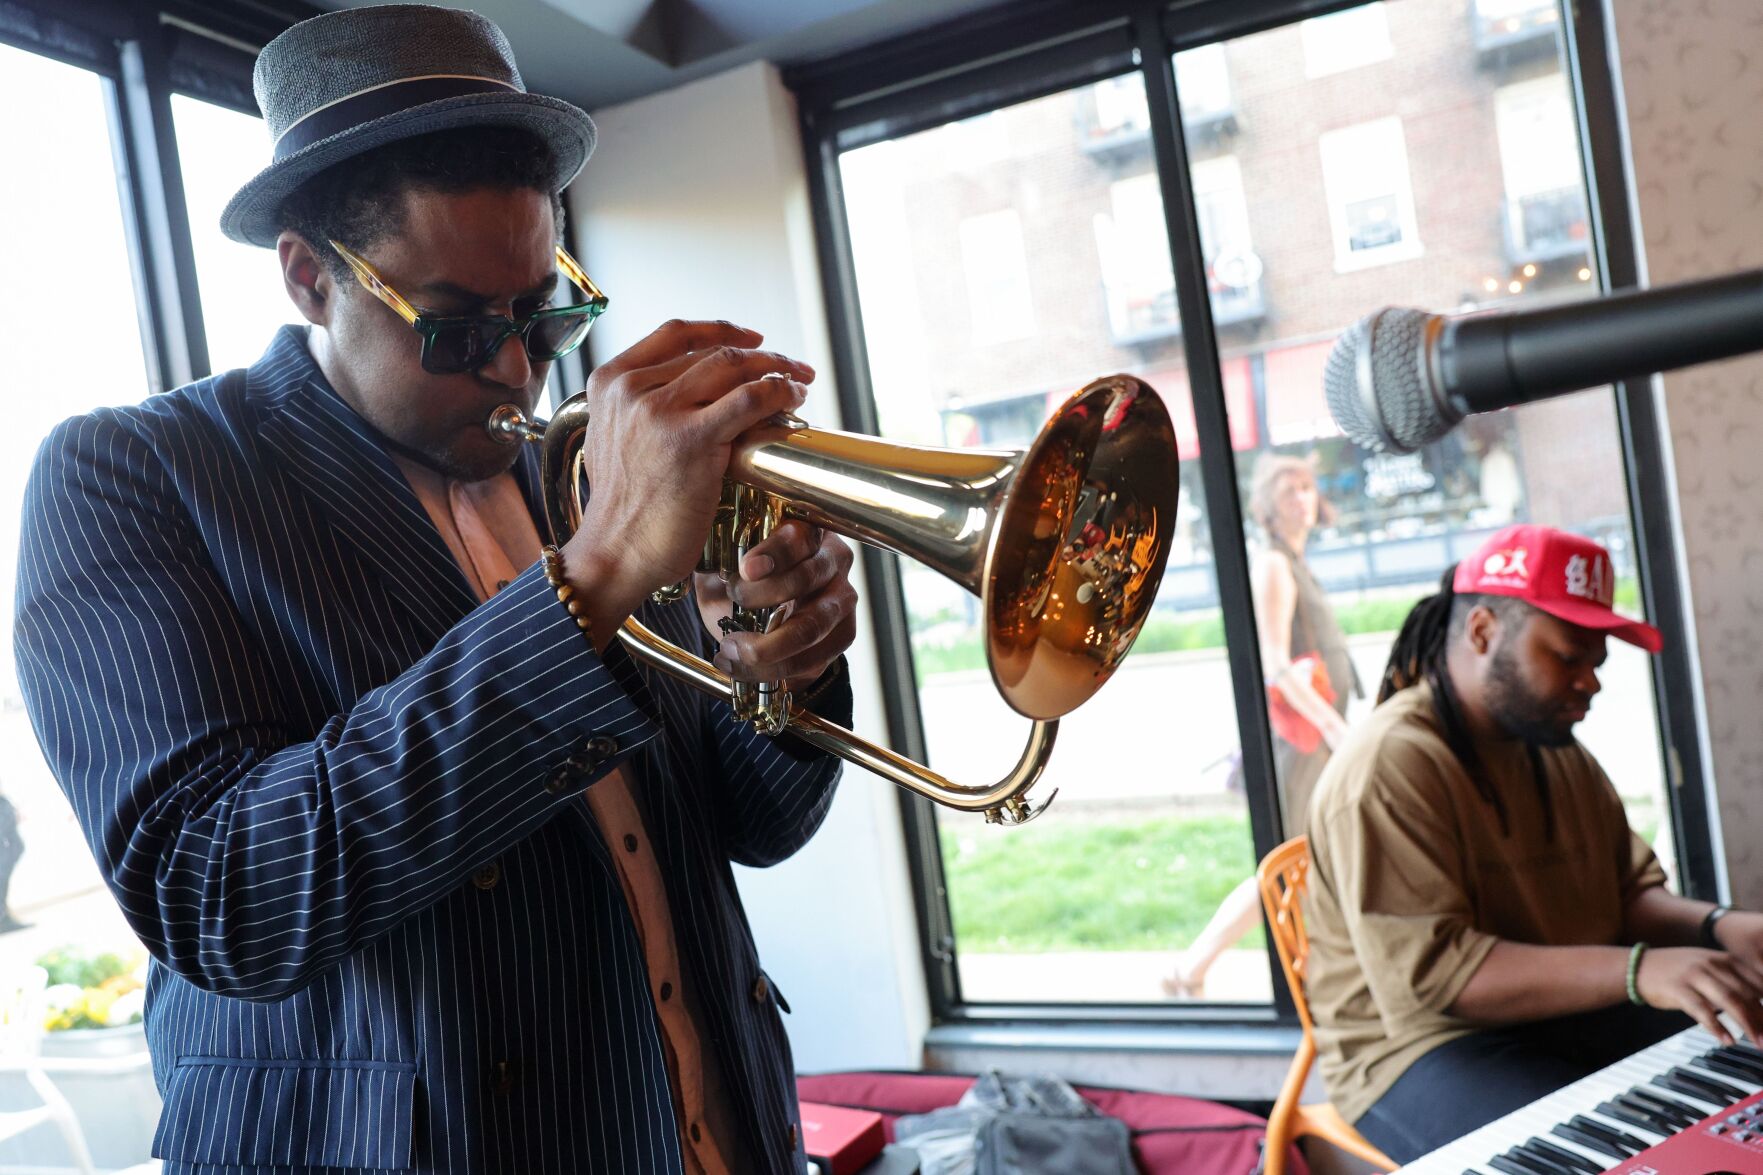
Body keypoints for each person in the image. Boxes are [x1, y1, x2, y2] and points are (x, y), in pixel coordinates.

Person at [13, 7, 858, 1173]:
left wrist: (775, 672)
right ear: (312, 277)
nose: (514, 367)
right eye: (456, 329)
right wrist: (597, 575)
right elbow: (222, 895)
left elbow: (752, 829)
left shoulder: (574, 477)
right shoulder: (134, 473)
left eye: (543, 313)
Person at [1302, 524, 1763, 1162]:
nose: (1591, 683)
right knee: (1603, 1157)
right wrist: (1640, 970)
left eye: (1597, 662)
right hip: (1419, 1045)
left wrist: (1721, 927)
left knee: (1744, 1054)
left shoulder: (1553, 747)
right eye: (1569, 657)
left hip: (1563, 1011)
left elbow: (1626, 899)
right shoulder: (1390, 765)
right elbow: (1440, 981)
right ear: (1484, 631)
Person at [1163, 454, 1356, 999]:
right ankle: (1195, 966)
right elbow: (1274, 660)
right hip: (1303, 741)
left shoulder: (1293, 561)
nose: (1303, 499)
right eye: (1289, 491)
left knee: (1303, 856)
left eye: (1307, 488)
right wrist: (1334, 728)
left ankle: (1208, 967)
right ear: (1269, 507)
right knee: (1291, 857)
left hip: (1313, 737)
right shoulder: (1274, 564)